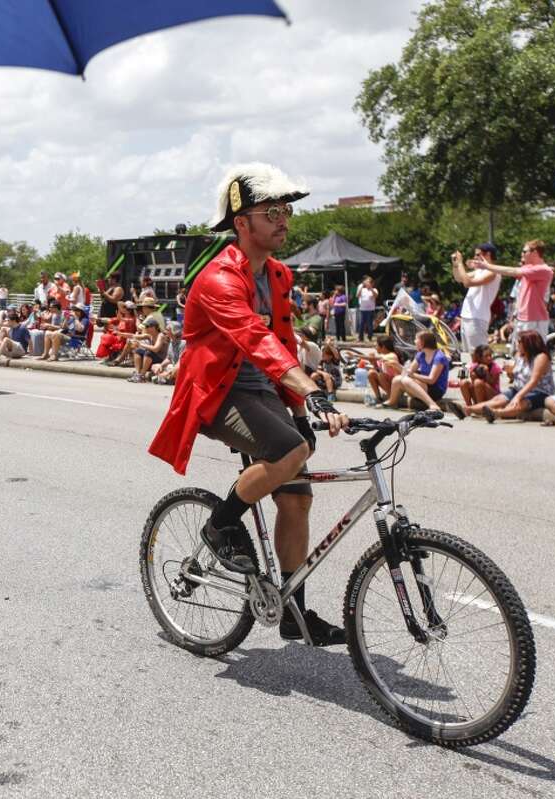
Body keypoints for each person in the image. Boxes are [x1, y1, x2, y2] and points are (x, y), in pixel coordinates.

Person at [148, 162, 349, 646]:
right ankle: (219, 526)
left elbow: (282, 339)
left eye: (286, 211)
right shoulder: (218, 278)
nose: (284, 220)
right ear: (242, 223)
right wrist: (313, 393)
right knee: (289, 453)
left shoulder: (277, 274)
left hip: (263, 390)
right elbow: (255, 340)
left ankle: (293, 612)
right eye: (271, 212)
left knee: (297, 497)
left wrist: (301, 412)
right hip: (220, 393)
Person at [461, 330, 555, 422]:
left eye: (519, 342)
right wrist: (511, 373)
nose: (517, 344)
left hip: (538, 392)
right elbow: (462, 376)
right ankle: (467, 409)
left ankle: (496, 413)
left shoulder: (541, 357)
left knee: (520, 404)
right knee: (498, 400)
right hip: (518, 389)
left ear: (528, 344)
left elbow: (533, 381)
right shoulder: (520, 356)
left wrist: (518, 396)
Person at [478, 240, 554, 343]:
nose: (522, 254)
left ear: (535, 252)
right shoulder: (529, 267)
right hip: (522, 318)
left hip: (534, 320)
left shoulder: (543, 270)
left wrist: (487, 266)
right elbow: (512, 271)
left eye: (524, 251)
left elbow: (512, 271)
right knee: (519, 352)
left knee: (532, 353)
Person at [382, 331, 456, 413]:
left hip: (436, 389)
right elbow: (408, 372)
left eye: (416, 339)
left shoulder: (439, 357)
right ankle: (392, 401)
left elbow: (431, 380)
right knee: (398, 379)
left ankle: (432, 404)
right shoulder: (420, 354)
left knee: (406, 380)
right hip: (422, 386)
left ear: (422, 342)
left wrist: (413, 375)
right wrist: (397, 365)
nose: (414, 341)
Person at [451, 244, 502, 352]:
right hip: (467, 316)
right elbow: (459, 278)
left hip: (478, 317)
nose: (475, 258)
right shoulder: (479, 271)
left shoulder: (493, 272)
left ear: (488, 254)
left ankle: (483, 369)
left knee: (478, 354)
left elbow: (467, 283)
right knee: (466, 355)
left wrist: (461, 264)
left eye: (477, 254)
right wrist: (455, 265)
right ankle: (466, 370)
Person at [364, 336, 402, 407]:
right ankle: (378, 398)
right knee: (371, 373)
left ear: (383, 347)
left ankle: (392, 400)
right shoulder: (382, 356)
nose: (375, 348)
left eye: (376, 345)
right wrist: (373, 362)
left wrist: (357, 356)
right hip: (388, 382)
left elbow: (382, 372)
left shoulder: (392, 355)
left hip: (397, 385)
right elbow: (378, 370)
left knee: (381, 375)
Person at [129, 316, 167, 382]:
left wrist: (140, 344)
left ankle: (142, 375)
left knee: (148, 352)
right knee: (138, 351)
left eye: (147, 327)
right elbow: (133, 336)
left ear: (154, 328)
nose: (145, 329)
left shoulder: (161, 335)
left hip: (161, 359)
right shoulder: (149, 335)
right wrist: (119, 333)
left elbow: (156, 349)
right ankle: (138, 373)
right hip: (154, 358)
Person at [355, 276, 378, 341]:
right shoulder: (362, 290)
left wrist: (371, 288)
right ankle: (360, 338)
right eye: (366, 282)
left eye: (368, 282)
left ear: (371, 283)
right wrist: (362, 286)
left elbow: (376, 295)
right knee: (361, 324)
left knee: (369, 324)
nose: (367, 283)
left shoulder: (374, 290)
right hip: (362, 309)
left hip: (370, 310)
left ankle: (369, 337)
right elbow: (357, 295)